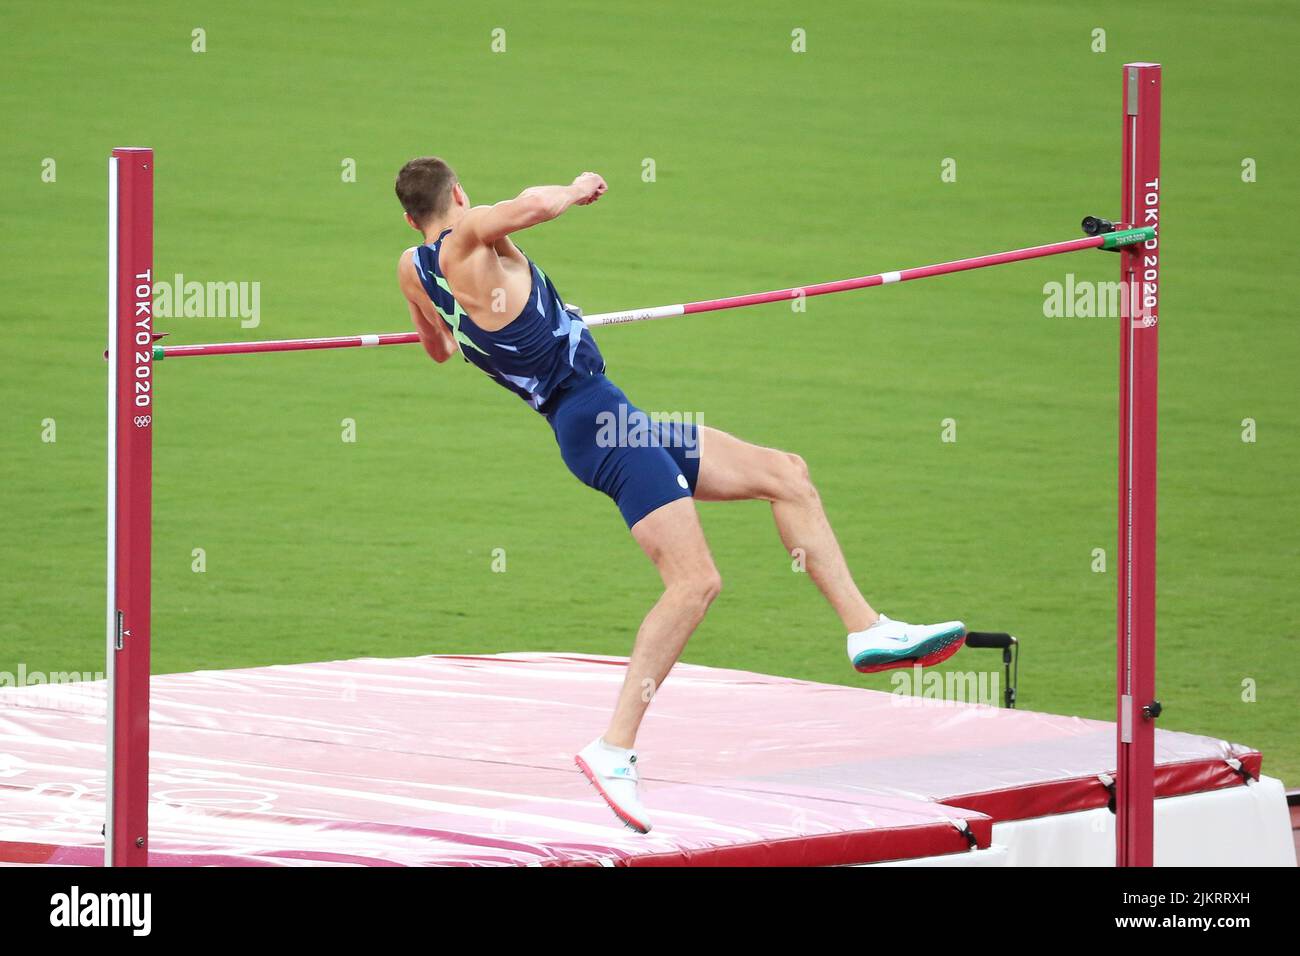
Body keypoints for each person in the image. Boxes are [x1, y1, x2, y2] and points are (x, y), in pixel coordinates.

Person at [394, 158, 965, 833]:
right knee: (694, 583)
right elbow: (530, 206)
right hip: (597, 423)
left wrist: (519, 325)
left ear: (409, 216)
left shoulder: (413, 267)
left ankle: (867, 630)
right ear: (459, 194)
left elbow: (436, 348)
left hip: (608, 417)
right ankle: (614, 749)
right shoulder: (470, 236)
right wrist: (577, 191)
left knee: (786, 474)